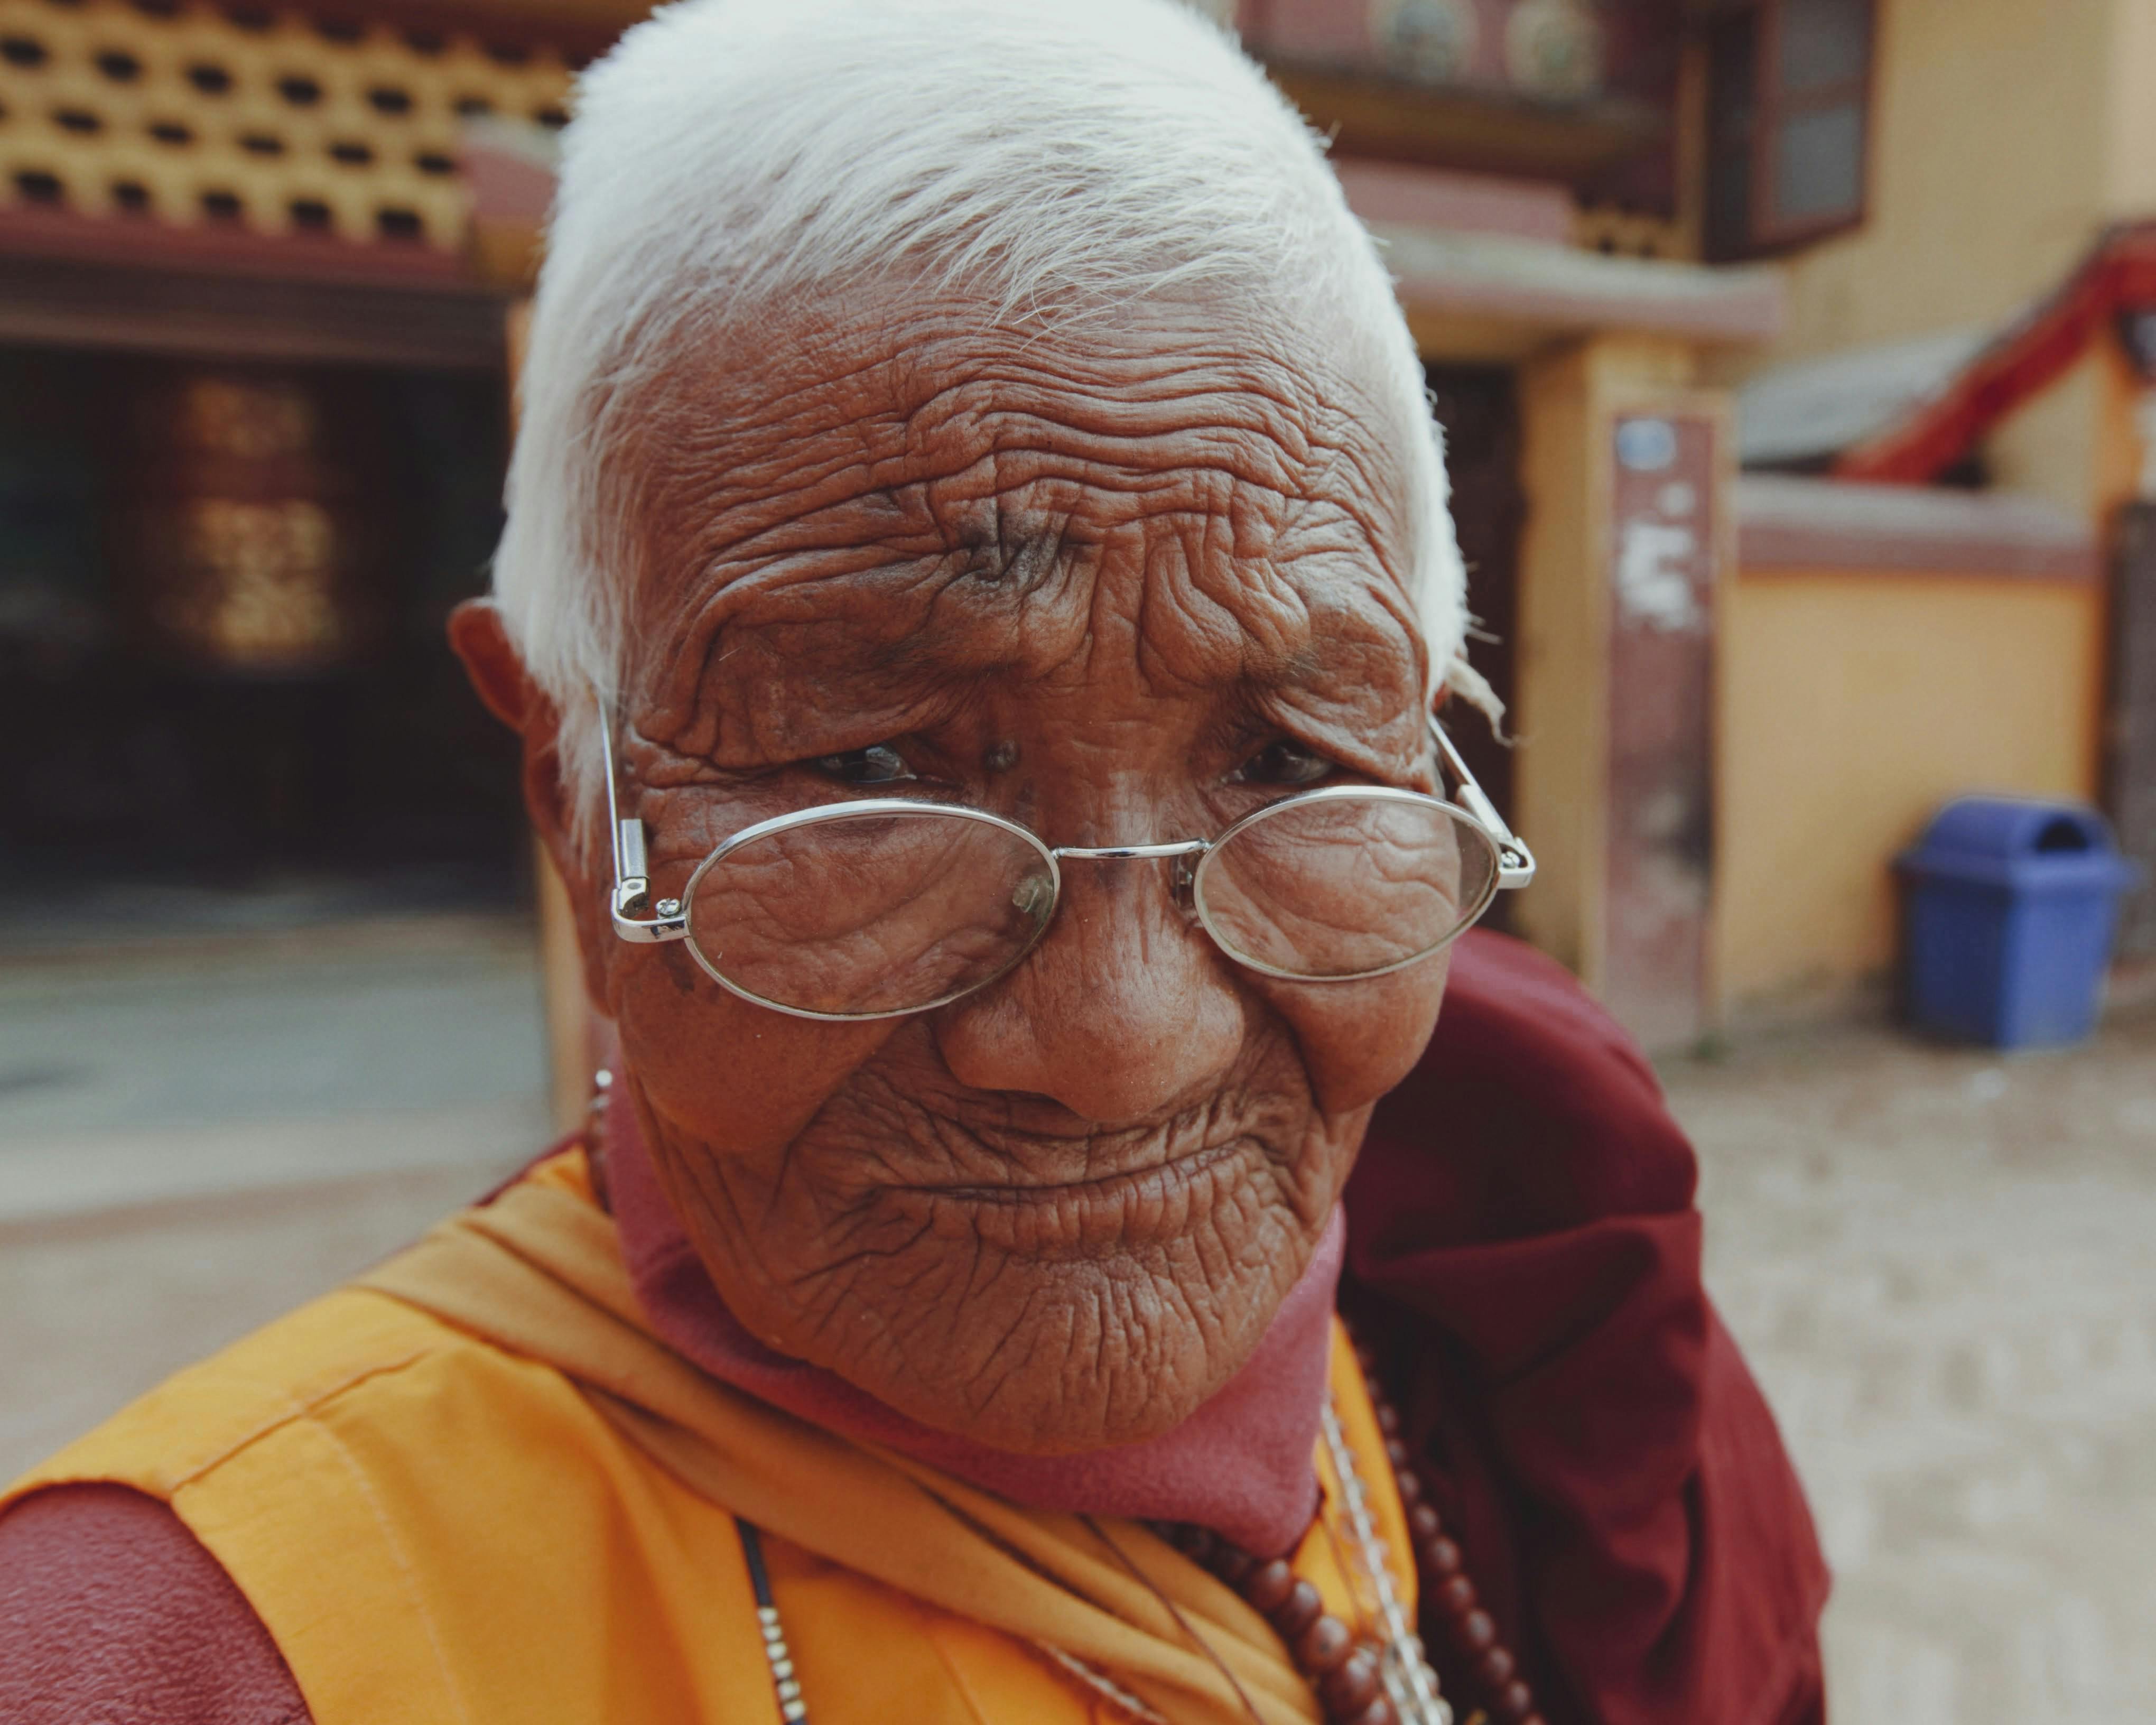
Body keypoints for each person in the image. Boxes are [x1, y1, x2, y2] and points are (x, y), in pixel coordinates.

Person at [0, 2, 1828, 1720]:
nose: (1126, 1041)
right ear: (571, 790)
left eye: (1287, 758)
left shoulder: (1518, 1341)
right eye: (867, 767)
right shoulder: (190, 1651)